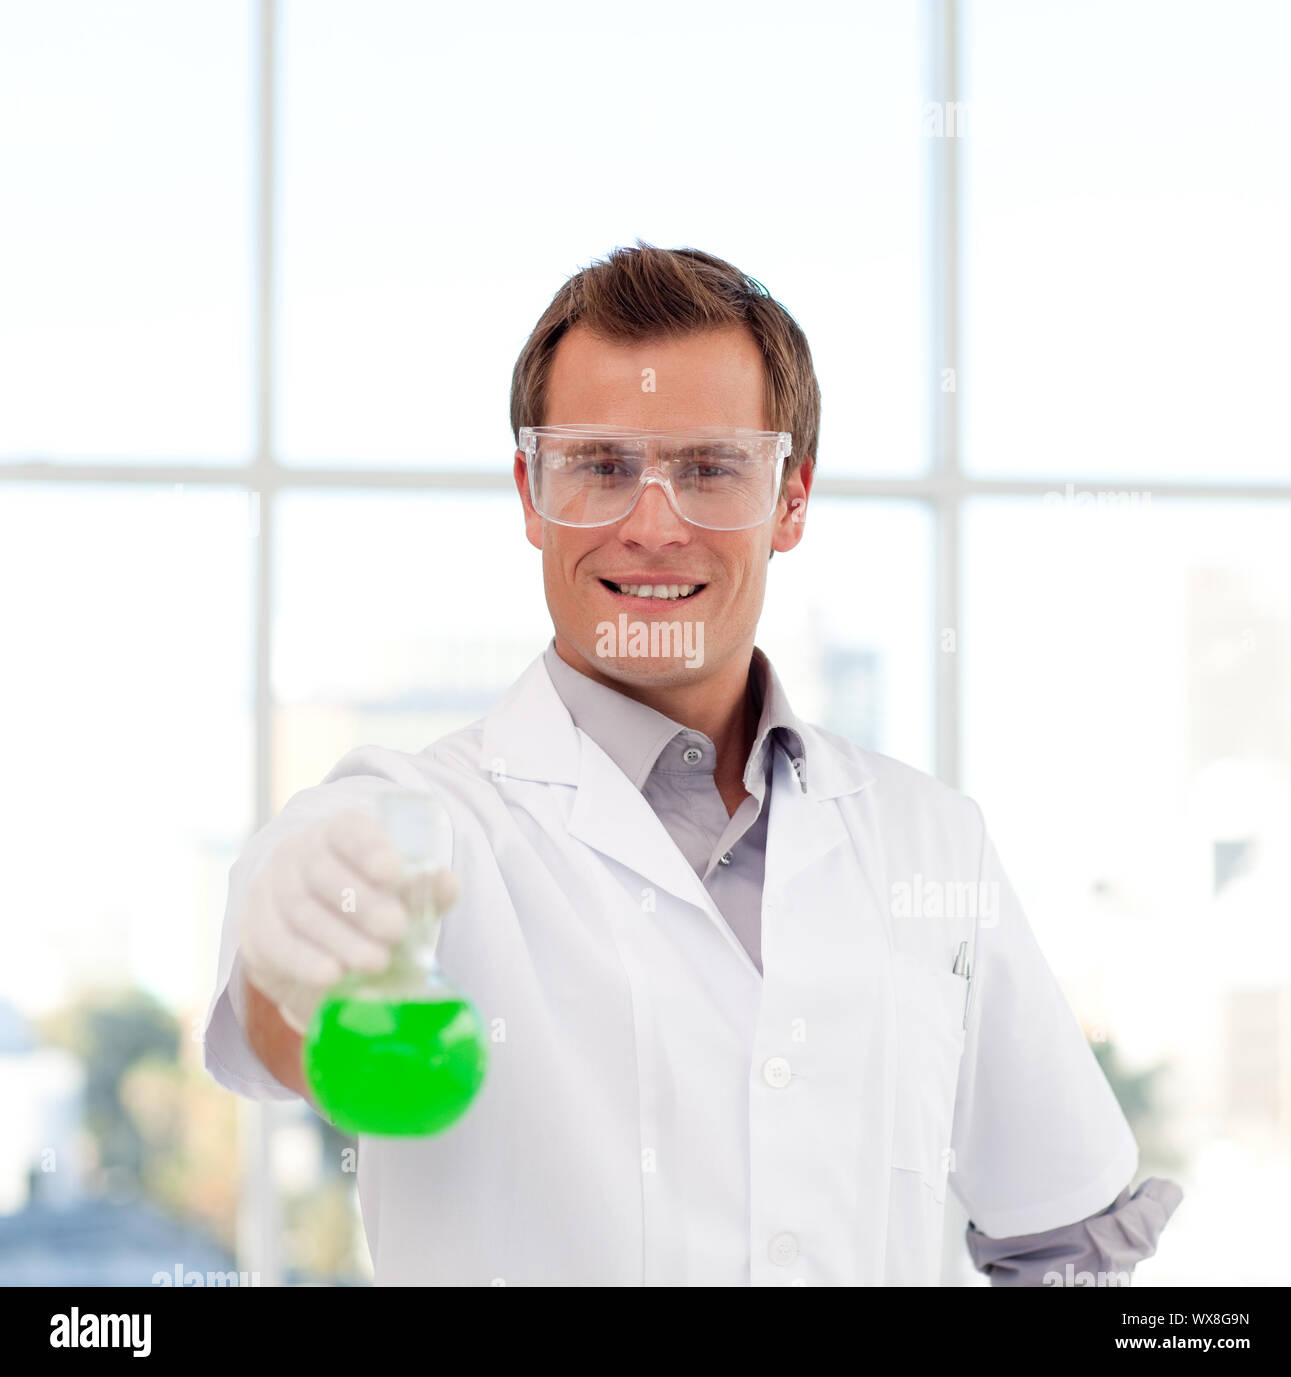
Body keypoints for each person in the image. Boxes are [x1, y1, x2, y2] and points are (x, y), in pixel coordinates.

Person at [203, 241, 1182, 1285]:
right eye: (601, 466)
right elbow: (286, 1025)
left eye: (711, 469)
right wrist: (296, 952)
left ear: (791, 497)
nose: (652, 525)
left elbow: (1066, 1235)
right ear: (533, 495)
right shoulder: (420, 816)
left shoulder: (929, 840)